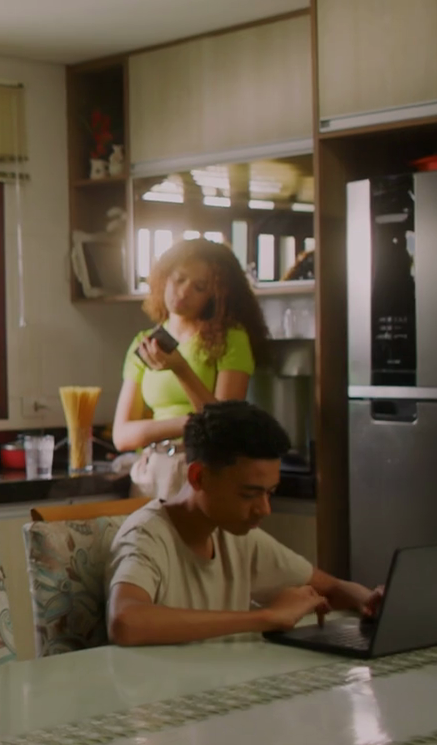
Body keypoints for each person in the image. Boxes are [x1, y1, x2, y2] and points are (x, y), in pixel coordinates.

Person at [106, 401, 381, 646]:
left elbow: (329, 587)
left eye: (269, 493)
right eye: (249, 494)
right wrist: (266, 617)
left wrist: (367, 599)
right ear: (198, 477)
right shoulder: (147, 536)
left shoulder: (237, 536)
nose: (264, 509)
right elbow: (126, 622)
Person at [113, 239, 273, 499]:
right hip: (152, 472)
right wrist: (189, 422)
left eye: (199, 287)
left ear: (215, 297)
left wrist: (180, 369)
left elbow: (224, 427)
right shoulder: (144, 343)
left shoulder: (231, 338)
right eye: (179, 279)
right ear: (164, 278)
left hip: (203, 470)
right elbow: (122, 436)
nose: (183, 292)